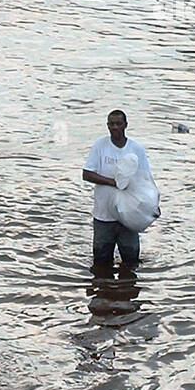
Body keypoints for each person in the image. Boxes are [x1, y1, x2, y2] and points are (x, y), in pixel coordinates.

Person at [82, 110, 154, 272]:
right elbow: (86, 174)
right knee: (100, 263)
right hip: (103, 215)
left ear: (125, 125)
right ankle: (104, 293)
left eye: (118, 124)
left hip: (129, 217)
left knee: (131, 262)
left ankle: (126, 293)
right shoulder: (100, 146)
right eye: (111, 124)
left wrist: (152, 205)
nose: (115, 127)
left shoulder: (136, 149)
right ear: (107, 126)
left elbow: (146, 180)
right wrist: (113, 183)